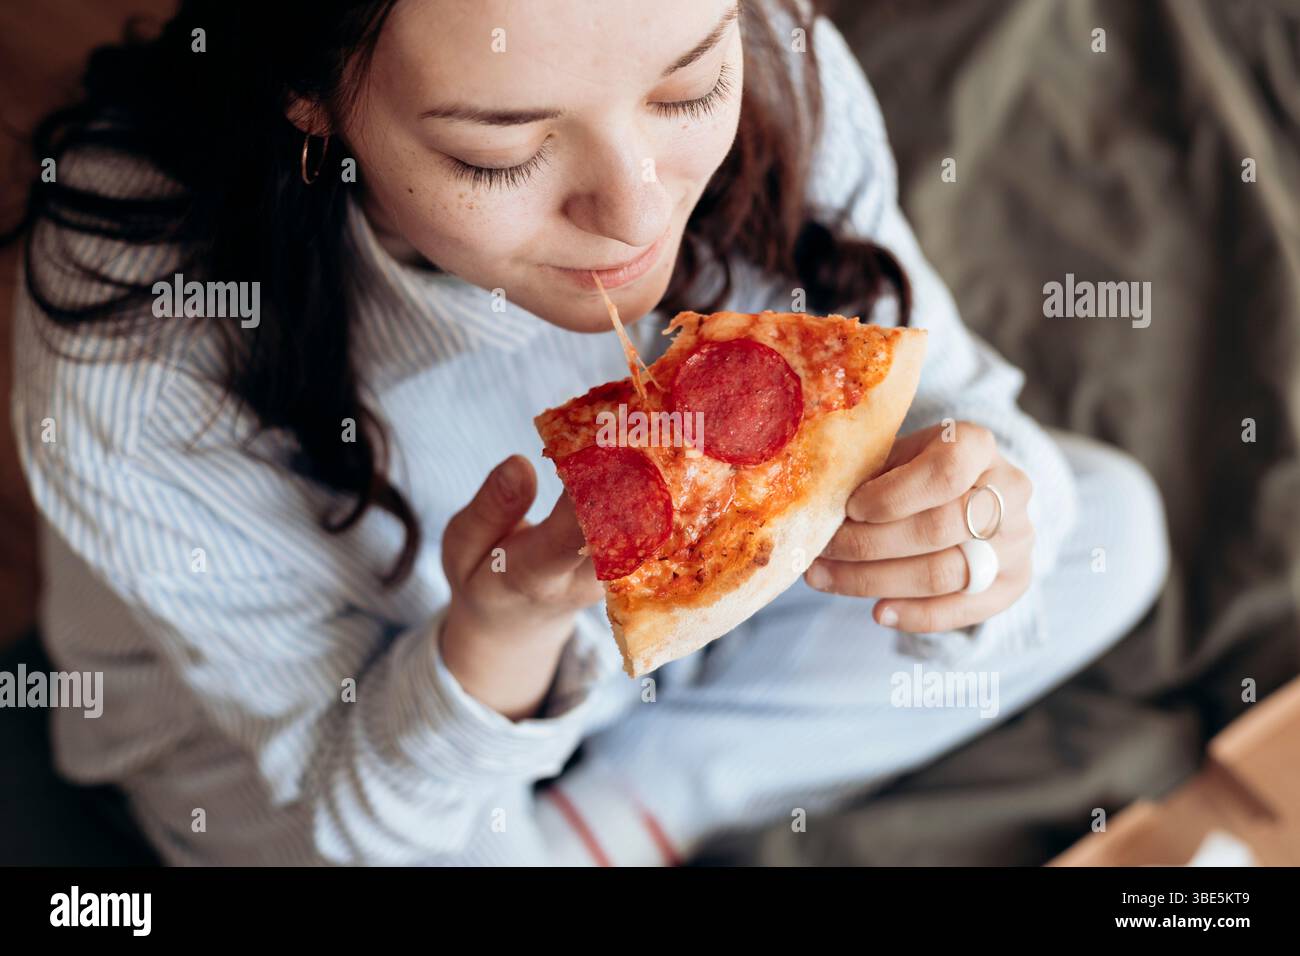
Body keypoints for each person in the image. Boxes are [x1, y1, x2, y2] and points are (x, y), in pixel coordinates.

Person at [7, 0, 1168, 865]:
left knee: (1104, 521)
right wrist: (497, 632)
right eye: (498, 152)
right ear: (308, 97)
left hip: (663, 653)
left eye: (684, 90)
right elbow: (354, 811)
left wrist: (974, 521)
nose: (637, 210)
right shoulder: (136, 341)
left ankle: (635, 807)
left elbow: (954, 406)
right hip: (329, 759)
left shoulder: (770, 50)